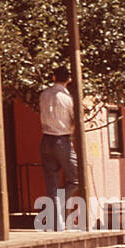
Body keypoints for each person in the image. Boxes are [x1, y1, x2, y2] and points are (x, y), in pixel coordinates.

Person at [38, 66, 79, 230]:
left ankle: (57, 223)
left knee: (51, 185)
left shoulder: (43, 95)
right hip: (61, 139)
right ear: (68, 79)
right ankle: (58, 205)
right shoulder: (68, 99)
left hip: (45, 139)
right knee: (76, 178)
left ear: (54, 77)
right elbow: (75, 120)